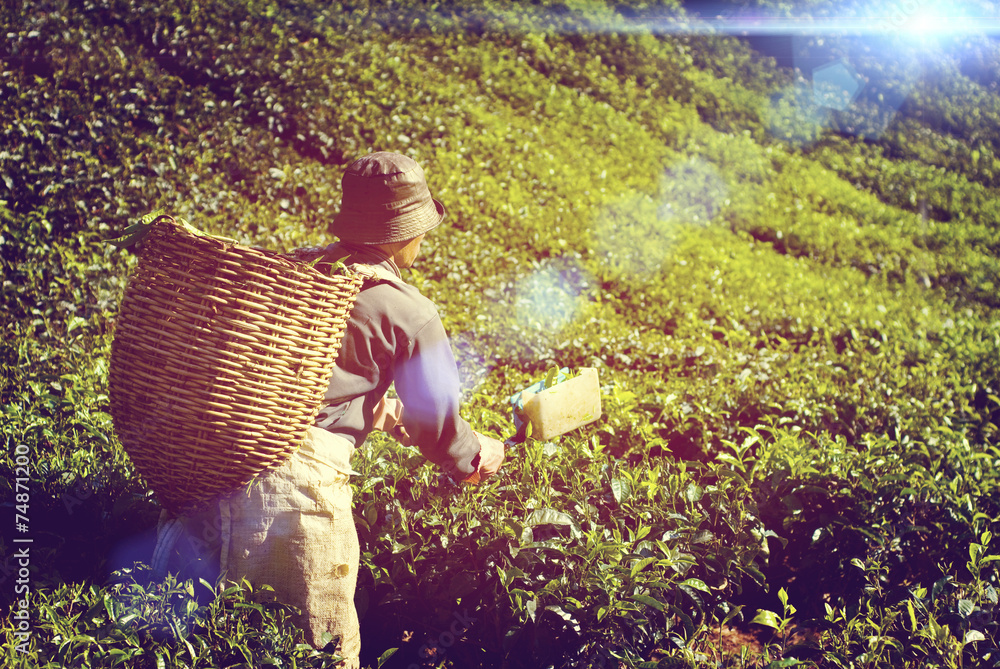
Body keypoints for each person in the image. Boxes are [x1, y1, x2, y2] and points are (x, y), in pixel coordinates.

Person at [164, 151, 505, 668]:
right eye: (419, 226)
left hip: (217, 464)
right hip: (292, 497)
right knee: (313, 652)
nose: (424, 238)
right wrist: (476, 456)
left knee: (193, 644)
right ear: (402, 230)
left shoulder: (302, 266)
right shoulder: (409, 311)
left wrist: (378, 411)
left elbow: (304, 383)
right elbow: (440, 427)